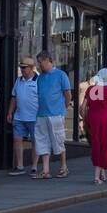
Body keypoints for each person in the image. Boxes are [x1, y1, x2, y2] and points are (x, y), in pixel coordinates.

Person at [35, 51, 72, 179]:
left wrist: (63, 108)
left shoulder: (61, 75)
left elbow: (68, 94)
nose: (39, 65)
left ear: (48, 60)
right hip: (41, 113)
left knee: (58, 140)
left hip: (56, 113)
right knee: (42, 141)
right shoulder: (40, 77)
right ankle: (45, 170)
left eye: (40, 62)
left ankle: (63, 167)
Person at [7, 57, 40, 176]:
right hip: (19, 116)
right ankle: (20, 165)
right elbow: (14, 97)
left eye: (24, 68)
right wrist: (10, 112)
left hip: (34, 116)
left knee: (35, 141)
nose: (22, 70)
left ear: (31, 68)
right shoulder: (18, 80)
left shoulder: (38, 80)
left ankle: (34, 166)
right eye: (21, 67)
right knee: (17, 139)